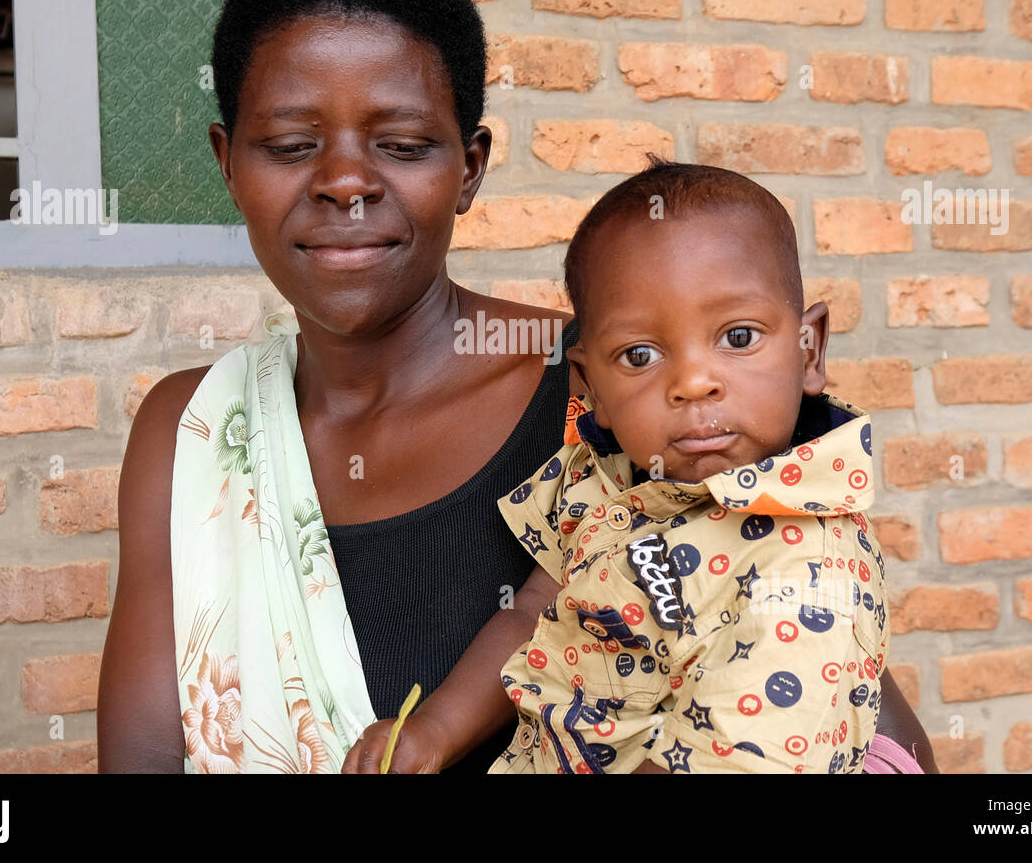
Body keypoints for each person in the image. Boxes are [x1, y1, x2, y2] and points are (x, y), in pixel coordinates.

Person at [96, 0, 938, 774]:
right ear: (228, 162)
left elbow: (864, 725)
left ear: (469, 168)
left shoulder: (625, 394)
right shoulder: (195, 433)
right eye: (288, 146)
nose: (345, 184)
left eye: (402, 144)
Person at [344, 160, 901, 773]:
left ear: (809, 349)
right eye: (640, 354)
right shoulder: (604, 481)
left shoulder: (810, 571)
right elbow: (535, 613)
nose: (693, 383)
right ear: (593, 388)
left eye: (738, 337)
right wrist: (436, 730)